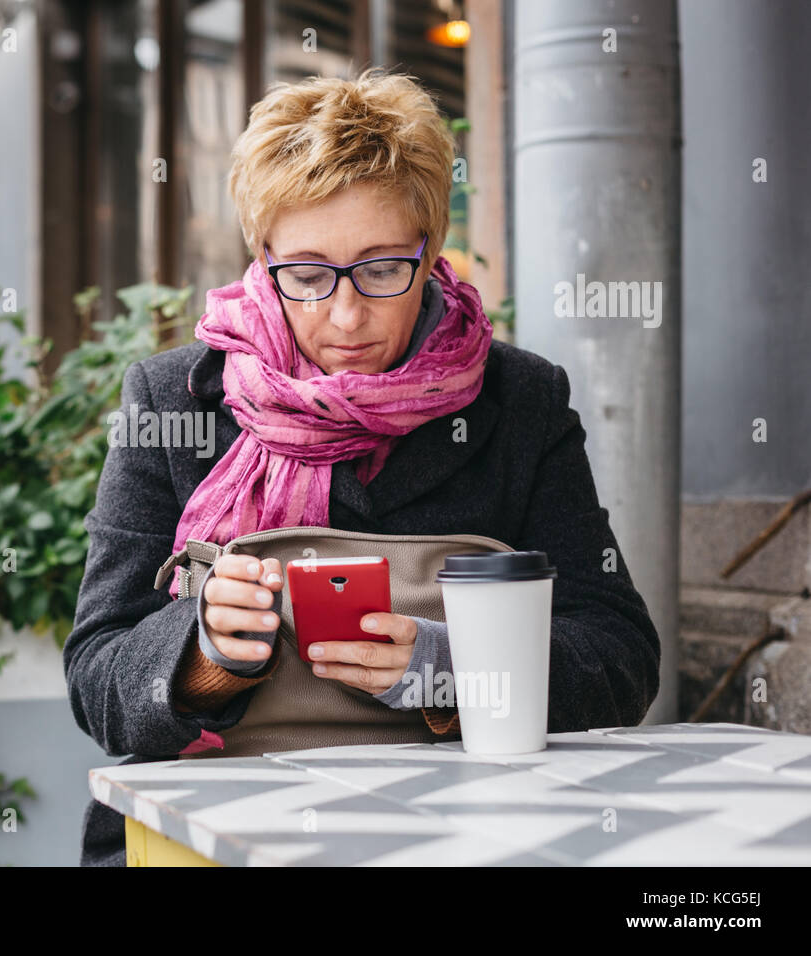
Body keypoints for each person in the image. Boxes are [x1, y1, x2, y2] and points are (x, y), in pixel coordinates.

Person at [63, 68, 660, 866]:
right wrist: (202, 654)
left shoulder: (520, 402)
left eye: (382, 270)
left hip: (466, 828)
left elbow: (622, 653)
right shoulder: (174, 401)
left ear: (430, 248)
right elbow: (98, 674)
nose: (345, 316)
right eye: (306, 276)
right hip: (214, 823)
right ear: (262, 253)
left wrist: (453, 674)